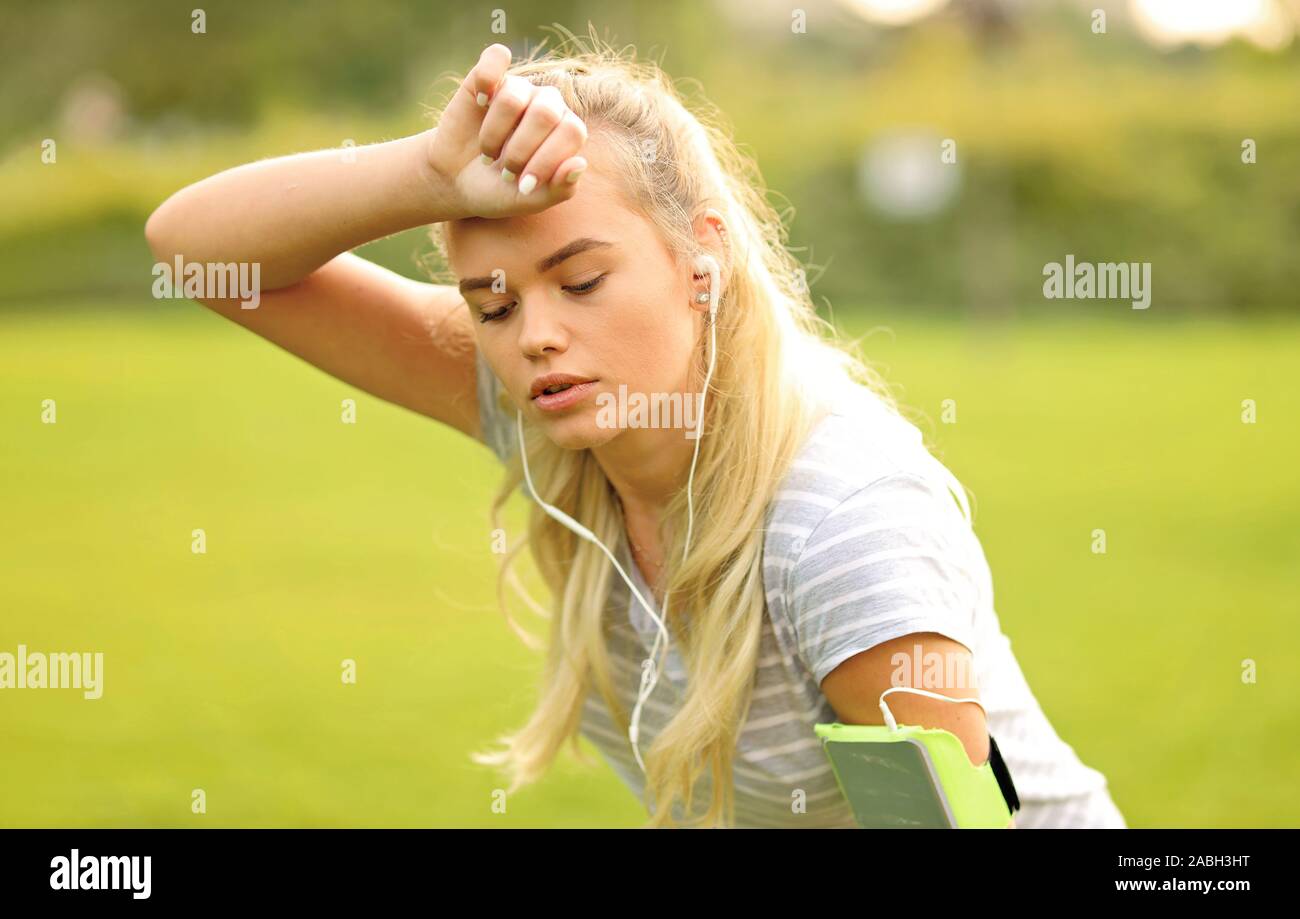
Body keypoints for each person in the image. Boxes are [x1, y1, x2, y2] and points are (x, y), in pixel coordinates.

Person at [144, 30, 1126, 829]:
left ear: (702, 259)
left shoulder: (842, 521)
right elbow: (195, 251)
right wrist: (426, 174)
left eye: (580, 281)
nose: (536, 335)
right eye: (490, 304)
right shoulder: (544, 395)